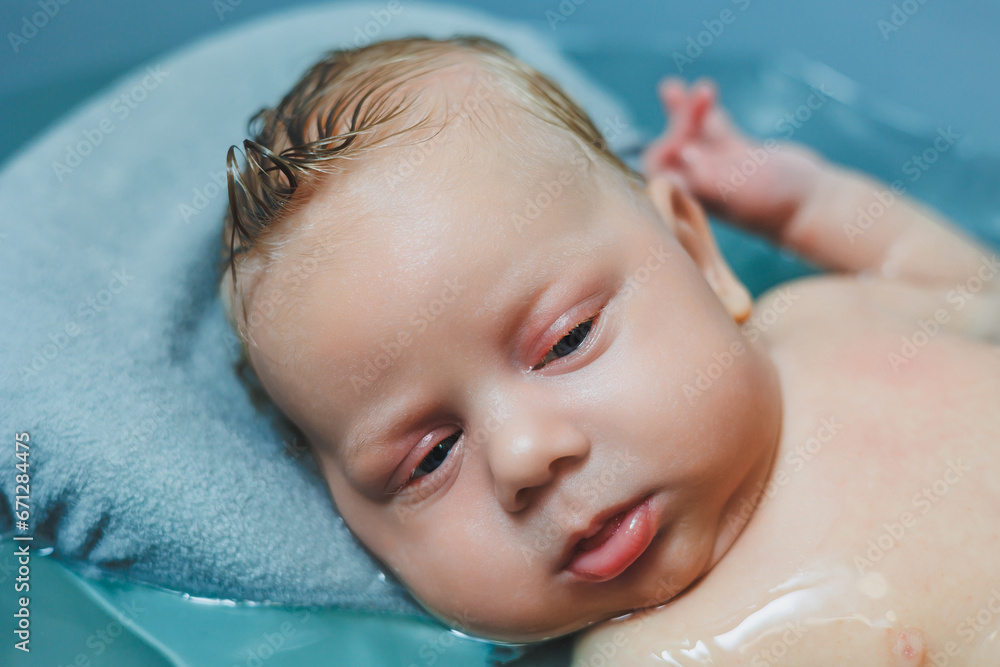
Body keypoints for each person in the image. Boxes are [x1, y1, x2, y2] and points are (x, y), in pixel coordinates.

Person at [218, 36, 1000, 663]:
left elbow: (980, 295)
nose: (525, 455)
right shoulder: (642, 653)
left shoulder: (827, 319)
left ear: (696, 254)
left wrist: (810, 204)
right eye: (428, 458)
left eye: (568, 340)